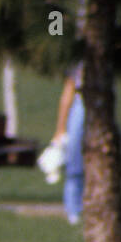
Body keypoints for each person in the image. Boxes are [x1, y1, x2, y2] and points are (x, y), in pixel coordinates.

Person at [41, 63, 85, 224]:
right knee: (74, 161)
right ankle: (73, 209)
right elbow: (68, 93)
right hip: (81, 104)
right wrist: (60, 128)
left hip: (100, 102)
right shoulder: (77, 62)